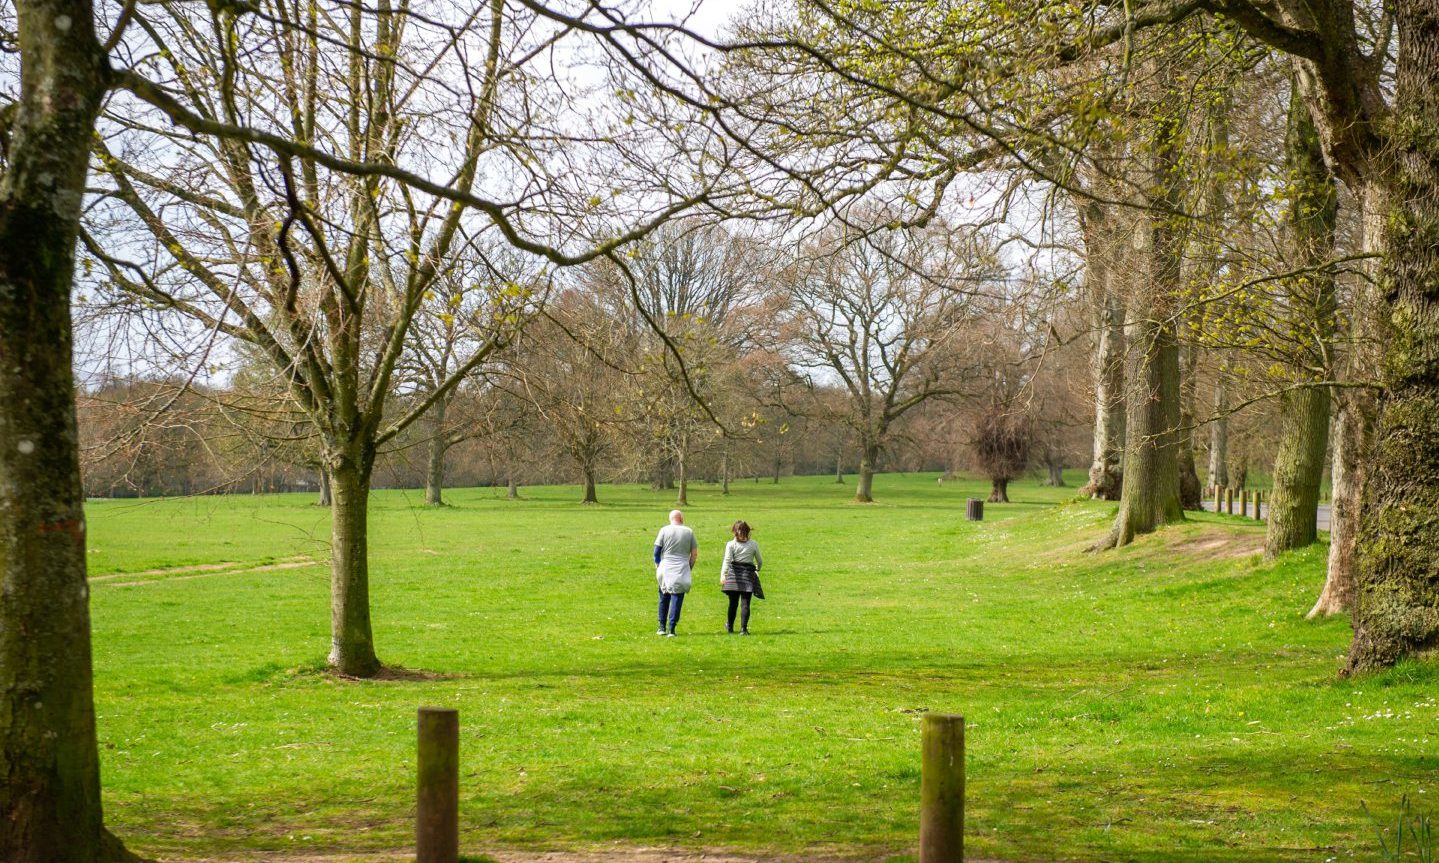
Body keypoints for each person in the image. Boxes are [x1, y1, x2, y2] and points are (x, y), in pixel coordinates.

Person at [653, 509, 697, 637]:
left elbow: (656, 551)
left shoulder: (664, 530)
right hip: (681, 568)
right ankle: (672, 629)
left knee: (664, 596)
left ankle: (661, 627)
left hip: (665, 567)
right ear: (682, 519)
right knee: (677, 597)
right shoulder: (689, 532)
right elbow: (694, 554)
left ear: (670, 519)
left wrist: (658, 564)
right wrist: (689, 567)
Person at [720, 520, 763, 635]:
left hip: (734, 576)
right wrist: (757, 569)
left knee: (733, 603)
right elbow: (760, 561)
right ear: (748, 531)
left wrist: (723, 575)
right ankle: (743, 629)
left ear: (734, 531)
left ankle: (730, 627)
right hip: (747, 576)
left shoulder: (731, 544)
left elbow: (727, 560)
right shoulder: (753, 544)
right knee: (745, 603)